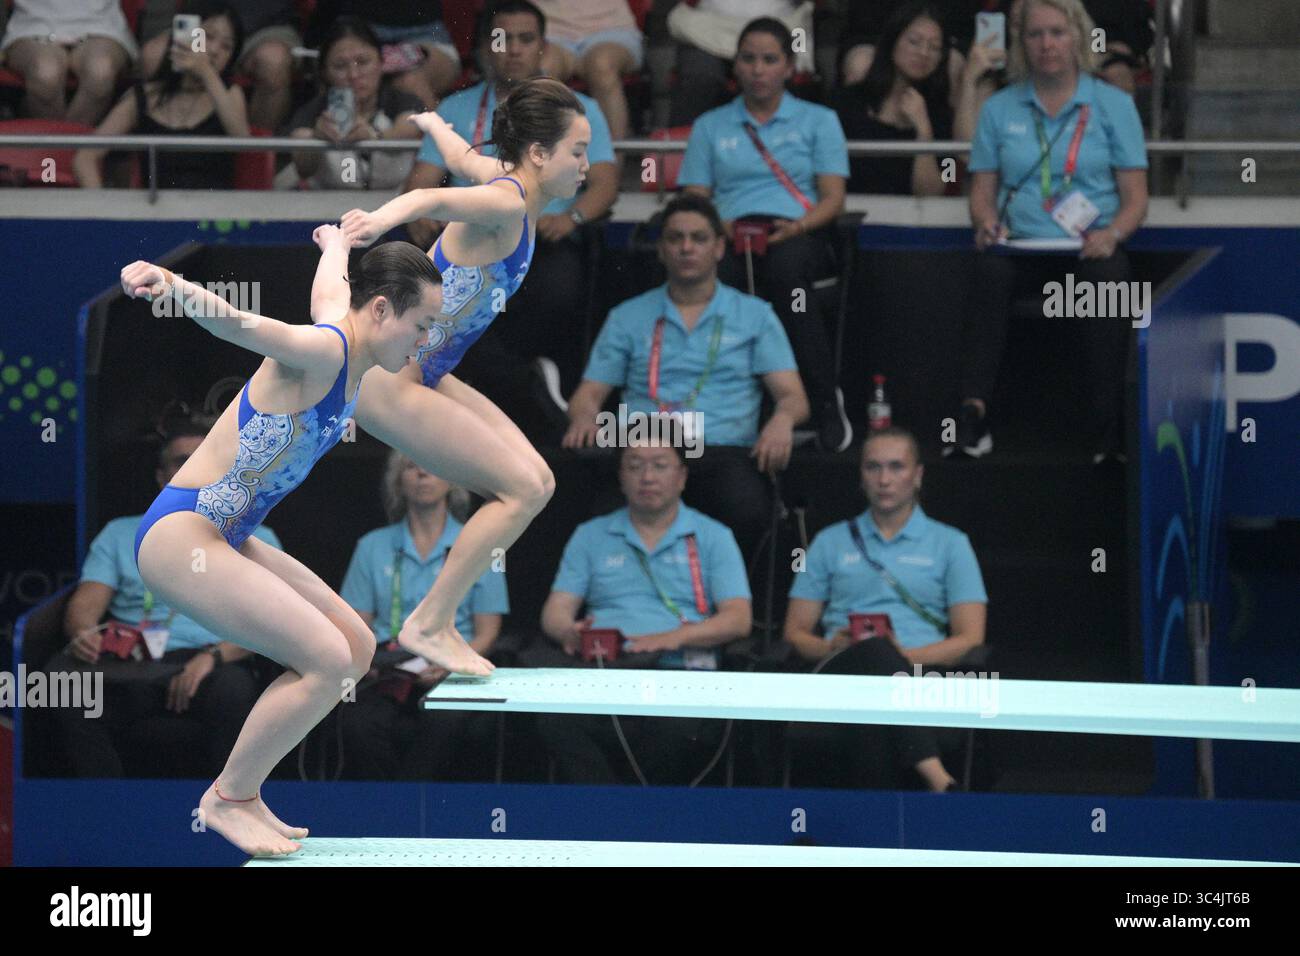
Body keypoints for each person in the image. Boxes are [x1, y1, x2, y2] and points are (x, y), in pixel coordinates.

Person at [125, 228, 442, 856]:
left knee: (354, 648)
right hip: (182, 533)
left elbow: (331, 291)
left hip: (229, 534)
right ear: (382, 310)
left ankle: (248, 788)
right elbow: (239, 323)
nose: (426, 341)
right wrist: (172, 286)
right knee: (325, 659)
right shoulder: (325, 352)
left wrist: (336, 245)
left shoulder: (345, 339)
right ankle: (228, 795)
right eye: (422, 324)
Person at [333, 78, 588, 679]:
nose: (587, 164)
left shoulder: (506, 189)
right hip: (394, 379)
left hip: (426, 374)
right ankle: (429, 622)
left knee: (540, 483)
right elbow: (427, 200)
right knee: (522, 491)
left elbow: (457, 159)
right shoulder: (505, 204)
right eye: (578, 150)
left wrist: (431, 121)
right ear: (540, 154)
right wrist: (375, 222)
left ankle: (434, 619)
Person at [403, 1, 619, 437]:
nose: (514, 50)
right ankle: (525, 382)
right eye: (503, 39)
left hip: (546, 238)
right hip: (472, 244)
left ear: (543, 47)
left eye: (526, 39)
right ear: (484, 48)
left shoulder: (578, 110)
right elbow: (420, 182)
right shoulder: (458, 108)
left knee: (555, 294)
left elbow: (606, 183)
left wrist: (573, 217)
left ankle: (512, 392)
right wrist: (421, 218)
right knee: (444, 321)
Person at [562, 192, 809, 560]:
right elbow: (588, 396)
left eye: (699, 238)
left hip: (722, 450)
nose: (686, 248)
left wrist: (782, 421)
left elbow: (794, 397)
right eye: (675, 238)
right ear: (661, 250)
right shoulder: (628, 316)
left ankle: (728, 611)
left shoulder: (755, 316)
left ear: (720, 248)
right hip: (645, 450)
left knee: (750, 510)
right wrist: (583, 417)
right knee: (599, 519)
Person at [955, 0, 1148, 461]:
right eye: (1036, 35)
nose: (1047, 44)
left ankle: (1109, 426)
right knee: (987, 271)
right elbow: (981, 191)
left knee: (1111, 282)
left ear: (1077, 37)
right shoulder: (999, 108)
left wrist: (1113, 234)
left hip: (1089, 247)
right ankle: (971, 414)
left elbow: (1136, 200)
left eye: (1058, 33)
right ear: (1022, 43)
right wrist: (984, 221)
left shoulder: (1113, 104)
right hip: (1020, 246)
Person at [46, 419, 279, 778]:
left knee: (235, 690)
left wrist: (214, 657)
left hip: (213, 661)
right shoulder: (121, 532)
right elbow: (84, 607)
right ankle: (106, 804)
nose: (193, 469)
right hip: (133, 661)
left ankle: (225, 809)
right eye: (181, 461)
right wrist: (84, 635)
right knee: (64, 677)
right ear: (161, 477)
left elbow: (272, 622)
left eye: (204, 460)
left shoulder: (255, 537)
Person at [678, 17, 851, 452]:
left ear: (789, 67)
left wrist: (798, 226)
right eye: (748, 59)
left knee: (787, 279)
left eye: (769, 59)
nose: (758, 69)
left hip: (797, 231)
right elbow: (696, 198)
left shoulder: (820, 120)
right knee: (715, 284)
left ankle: (822, 401)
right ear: (735, 66)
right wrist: (720, 230)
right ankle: (727, 407)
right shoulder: (710, 126)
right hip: (729, 234)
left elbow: (833, 198)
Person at [784, 427, 987, 791]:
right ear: (861, 476)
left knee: (876, 701)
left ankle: (871, 835)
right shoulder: (829, 541)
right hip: (839, 675)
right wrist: (831, 647)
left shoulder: (951, 544)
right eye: (873, 468)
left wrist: (903, 657)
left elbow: (971, 636)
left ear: (918, 475)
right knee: (874, 655)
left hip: (922, 675)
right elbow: (795, 633)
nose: (884, 479)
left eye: (896, 467)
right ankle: (938, 780)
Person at [537, 441, 752, 784]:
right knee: (555, 721)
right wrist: (568, 632)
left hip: (678, 674)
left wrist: (668, 639)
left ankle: (642, 817)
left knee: (673, 729)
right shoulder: (591, 535)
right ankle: (608, 813)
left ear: (682, 476)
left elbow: (738, 619)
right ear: (621, 477)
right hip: (605, 673)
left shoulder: (713, 536)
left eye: (660, 466)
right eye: (634, 466)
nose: (647, 477)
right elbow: (556, 610)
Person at [337, 451, 507, 781]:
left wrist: (452, 664)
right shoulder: (371, 546)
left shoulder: (479, 544)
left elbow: (488, 630)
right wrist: (369, 661)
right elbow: (356, 626)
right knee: (358, 724)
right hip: (388, 669)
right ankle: (392, 811)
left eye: (432, 464)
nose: (422, 474)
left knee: (445, 722)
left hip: (455, 670)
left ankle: (410, 810)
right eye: (411, 466)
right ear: (398, 481)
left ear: (451, 478)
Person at [73, 5, 249, 190]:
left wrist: (206, 73)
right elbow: (85, 157)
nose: (214, 50)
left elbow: (243, 143)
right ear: (184, 34)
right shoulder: (145, 96)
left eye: (226, 47)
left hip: (212, 212)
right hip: (157, 210)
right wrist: (104, 212)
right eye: (208, 36)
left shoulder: (230, 95)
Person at [286, 18, 423, 191]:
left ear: (381, 63)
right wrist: (317, 139)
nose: (353, 74)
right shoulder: (314, 111)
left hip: (394, 206)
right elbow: (303, 168)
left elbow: (408, 129)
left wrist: (373, 136)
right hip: (328, 206)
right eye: (340, 66)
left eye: (363, 62)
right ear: (325, 72)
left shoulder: (402, 101)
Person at [833, 2, 953, 196]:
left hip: (913, 220)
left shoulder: (942, 115)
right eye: (914, 41)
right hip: (852, 217)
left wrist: (924, 130)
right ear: (893, 41)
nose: (924, 53)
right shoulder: (848, 101)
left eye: (935, 47)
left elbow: (942, 187)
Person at [138, 1, 300, 131]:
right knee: (154, 54)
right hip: (204, 19)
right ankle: (157, 135)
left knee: (273, 61)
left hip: (267, 25)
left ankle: (259, 157)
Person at [0, 0, 136, 126]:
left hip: (103, 25)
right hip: (31, 25)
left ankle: (69, 150)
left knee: (101, 71)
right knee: (45, 73)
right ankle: (58, 149)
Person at [305, 1, 462, 109]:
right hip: (351, 28)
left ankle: (437, 154)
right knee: (345, 76)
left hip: (425, 32)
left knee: (410, 82)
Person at [532, 0, 642, 140]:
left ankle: (613, 159)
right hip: (550, 31)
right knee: (541, 72)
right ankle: (536, 157)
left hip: (611, 27)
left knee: (602, 66)